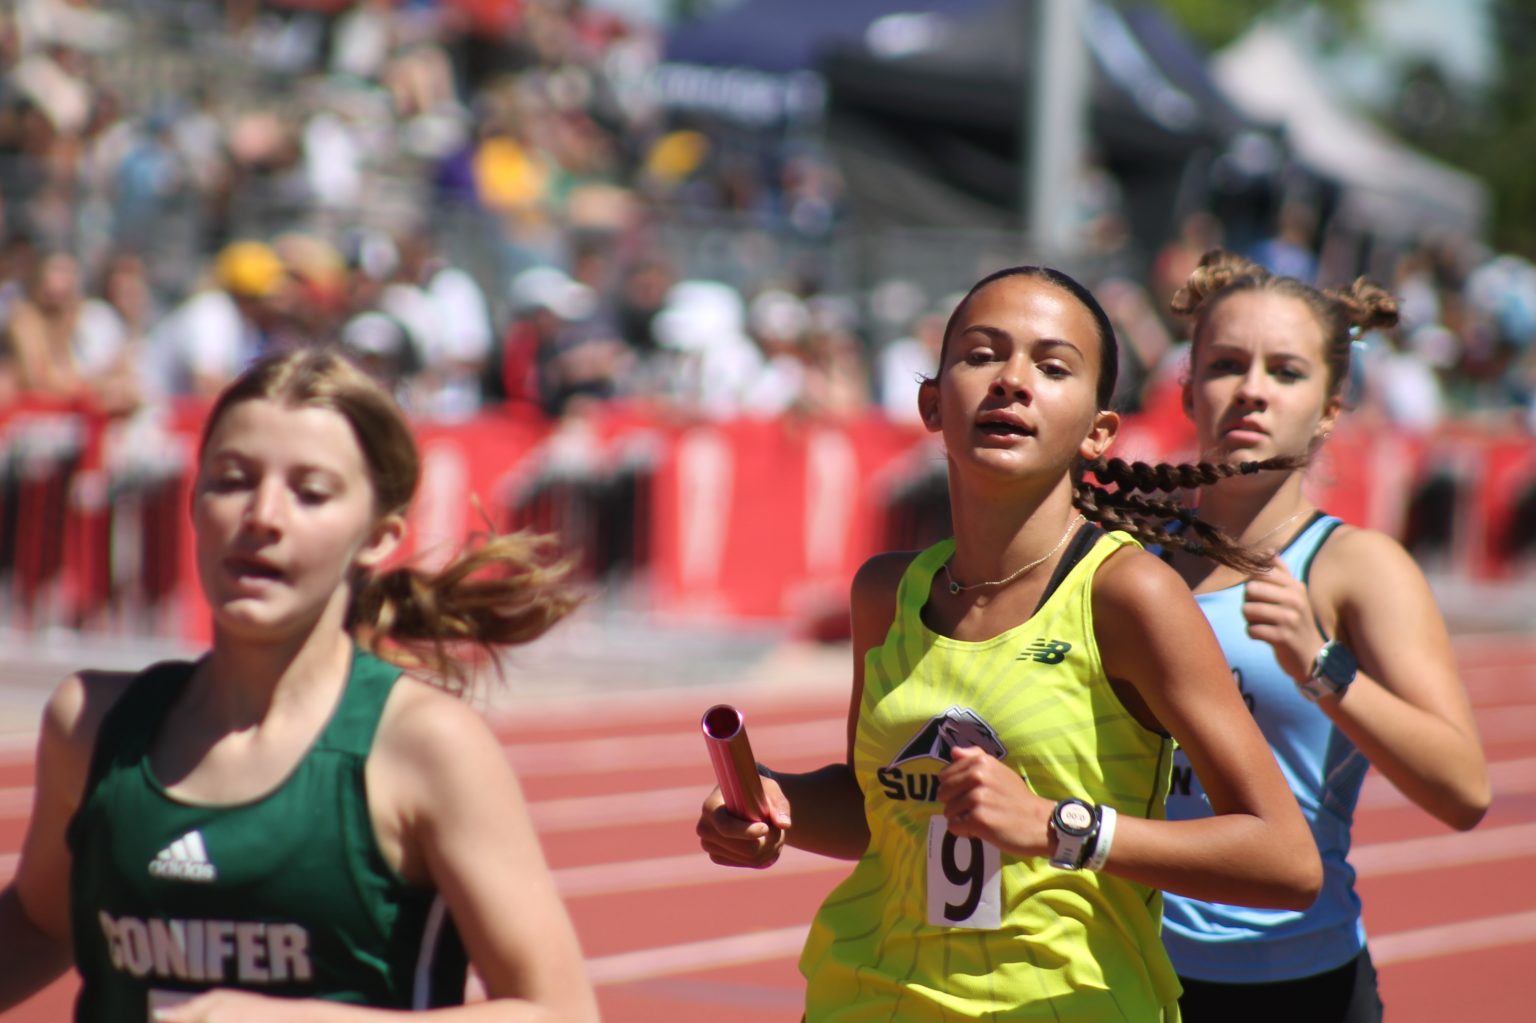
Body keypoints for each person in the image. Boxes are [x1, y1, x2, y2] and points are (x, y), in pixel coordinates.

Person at [697, 264, 1323, 1021]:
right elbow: (882, 814)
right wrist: (777, 800)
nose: (1012, 381)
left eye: (1052, 366)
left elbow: (1286, 860)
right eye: (982, 354)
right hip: (864, 997)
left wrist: (1060, 827)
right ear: (932, 403)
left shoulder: (1128, 596)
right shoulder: (886, 594)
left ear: (1099, 430)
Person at [0, 349, 600, 1022]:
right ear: (194, 503)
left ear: (378, 536)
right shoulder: (94, 726)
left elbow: (561, 1012)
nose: (261, 514)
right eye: (231, 480)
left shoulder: (424, 746)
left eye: (310, 492)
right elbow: (42, 919)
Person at [1159, 250, 1490, 1021]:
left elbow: (1465, 790)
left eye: (1285, 371)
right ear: (1186, 389)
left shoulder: (1356, 567)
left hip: (1295, 982)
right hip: (1130, 972)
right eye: (1227, 365)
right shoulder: (1128, 562)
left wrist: (1320, 663)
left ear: (1331, 407)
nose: (1251, 390)